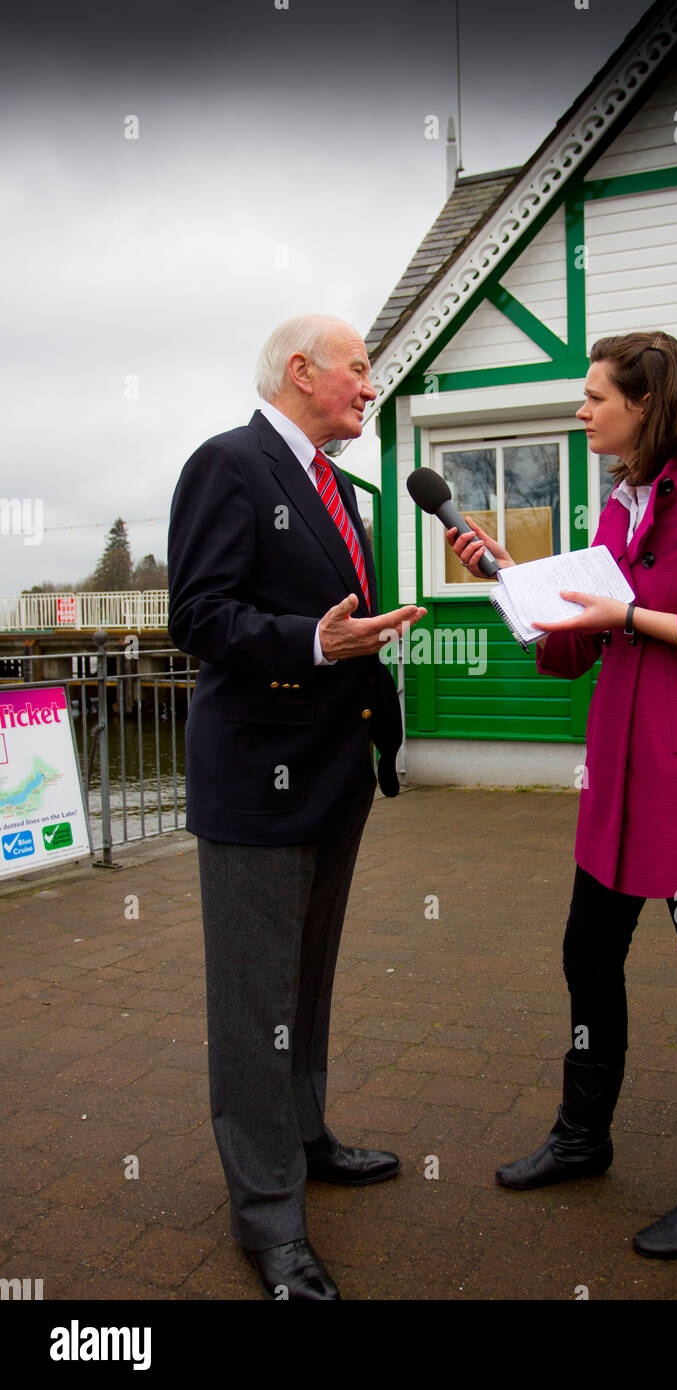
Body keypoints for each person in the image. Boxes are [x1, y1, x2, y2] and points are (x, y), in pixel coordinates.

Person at [447, 330, 677, 1259]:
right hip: (618, 789)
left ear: (648, 403)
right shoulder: (616, 512)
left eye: (597, 395)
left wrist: (631, 614)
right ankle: (582, 1136)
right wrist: (510, 587)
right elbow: (569, 653)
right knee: (586, 958)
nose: (582, 409)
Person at [167, 314, 425, 1300]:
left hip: (333, 777)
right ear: (301, 370)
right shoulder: (227, 464)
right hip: (256, 789)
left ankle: (306, 1134)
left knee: (305, 983)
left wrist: (352, 650)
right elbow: (197, 613)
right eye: (359, 370)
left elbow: (336, 618)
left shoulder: (333, 486)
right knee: (254, 1002)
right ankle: (268, 1219)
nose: (369, 387)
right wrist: (313, 643)